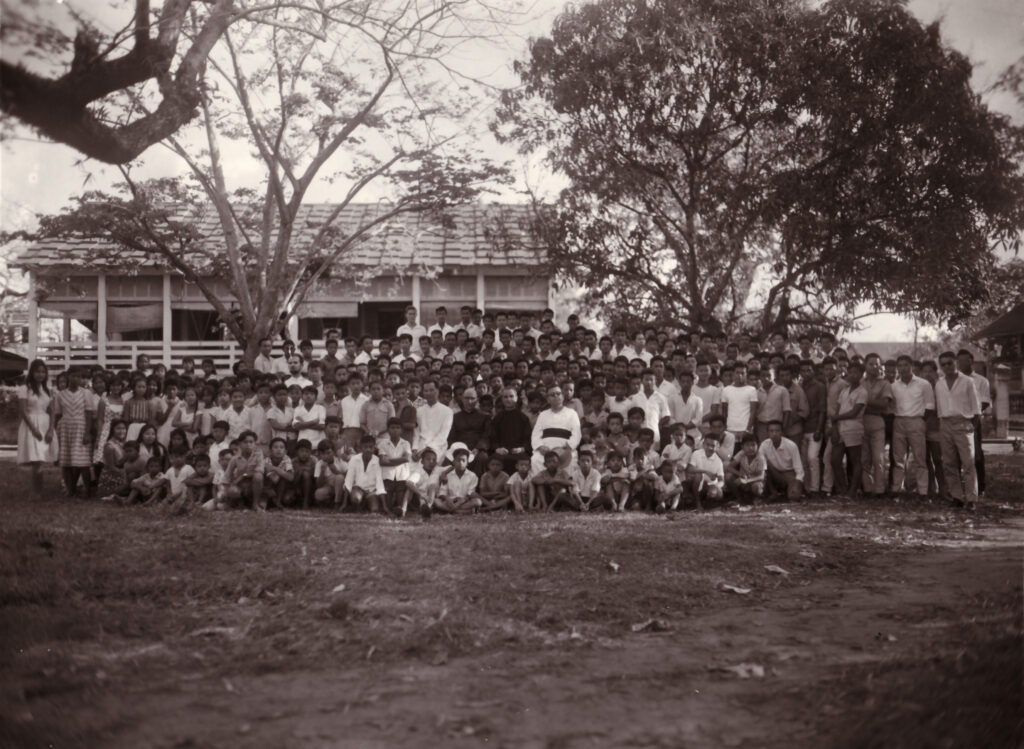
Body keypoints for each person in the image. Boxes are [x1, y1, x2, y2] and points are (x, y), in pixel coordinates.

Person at [935, 351, 981, 511]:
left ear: (956, 362)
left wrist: (970, 427)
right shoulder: (939, 383)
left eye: (950, 363)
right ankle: (957, 497)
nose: (947, 366)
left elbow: (976, 409)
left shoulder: (968, 381)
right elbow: (939, 407)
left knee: (968, 462)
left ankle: (971, 499)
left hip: (963, 423)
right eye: (943, 364)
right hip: (945, 424)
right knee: (949, 463)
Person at [890, 355, 934, 498]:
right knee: (898, 459)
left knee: (920, 458)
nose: (902, 368)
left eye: (905, 365)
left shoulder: (923, 384)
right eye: (900, 366)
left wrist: (920, 421)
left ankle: (923, 491)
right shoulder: (894, 386)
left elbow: (930, 406)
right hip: (899, 421)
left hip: (916, 421)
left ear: (911, 366)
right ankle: (897, 489)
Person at [17, 359, 58, 498]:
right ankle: (35, 492)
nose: (40, 374)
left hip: (45, 424)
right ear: (32, 373)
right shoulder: (25, 389)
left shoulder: (48, 390)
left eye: (43, 372)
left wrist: (51, 429)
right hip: (31, 424)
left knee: (41, 458)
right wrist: (33, 429)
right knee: (36, 458)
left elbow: (52, 411)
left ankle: (38, 491)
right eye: (37, 371)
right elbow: (23, 411)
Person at [53, 367, 96, 497]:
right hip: (65, 428)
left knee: (83, 461)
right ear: (68, 377)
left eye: (79, 376)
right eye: (73, 376)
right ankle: (70, 490)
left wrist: (87, 432)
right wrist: (54, 432)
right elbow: (57, 415)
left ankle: (87, 490)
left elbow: (89, 414)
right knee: (66, 461)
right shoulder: (60, 395)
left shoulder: (86, 393)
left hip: (81, 427)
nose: (76, 379)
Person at [956, 349, 990, 497]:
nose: (962, 363)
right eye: (960, 361)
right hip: (956, 420)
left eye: (966, 360)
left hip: (973, 420)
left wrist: (971, 413)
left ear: (971, 361)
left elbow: (985, 402)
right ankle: (958, 487)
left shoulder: (981, 381)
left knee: (975, 453)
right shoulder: (954, 379)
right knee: (955, 453)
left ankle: (980, 486)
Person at [832, 362, 868, 499]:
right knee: (835, 460)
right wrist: (834, 427)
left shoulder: (862, 392)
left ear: (861, 374)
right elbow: (837, 410)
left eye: (856, 372)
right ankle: (843, 490)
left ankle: (852, 491)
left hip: (854, 428)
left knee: (855, 461)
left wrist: (836, 417)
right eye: (851, 372)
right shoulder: (844, 390)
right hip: (841, 428)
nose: (853, 375)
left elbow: (854, 413)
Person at [530, 385, 582, 474]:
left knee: (570, 463)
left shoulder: (572, 413)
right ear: (548, 399)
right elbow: (535, 434)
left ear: (562, 396)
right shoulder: (543, 415)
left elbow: (577, 434)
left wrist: (568, 447)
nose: (556, 396)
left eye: (558, 393)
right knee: (536, 460)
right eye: (552, 395)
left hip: (564, 449)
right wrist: (540, 447)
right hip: (546, 450)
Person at [758, 420, 804, 501]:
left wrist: (796, 485)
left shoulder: (791, 445)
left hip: (789, 474)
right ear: (767, 433)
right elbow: (760, 465)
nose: (774, 434)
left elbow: (799, 470)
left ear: (782, 432)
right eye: (771, 431)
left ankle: (786, 492)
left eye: (777, 431)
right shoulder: (764, 445)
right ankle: (773, 492)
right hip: (773, 474)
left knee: (794, 496)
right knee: (765, 464)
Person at [345, 434, 386, 513]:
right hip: (358, 489)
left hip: (371, 491)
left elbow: (380, 484)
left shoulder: (377, 461)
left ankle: (365, 504)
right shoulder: (354, 459)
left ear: (374, 448)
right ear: (361, 448)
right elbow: (348, 481)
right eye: (365, 447)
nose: (368, 449)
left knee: (375, 509)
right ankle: (358, 504)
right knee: (356, 498)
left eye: (370, 447)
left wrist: (385, 507)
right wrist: (344, 504)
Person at [686, 435, 725, 510]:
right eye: (707, 444)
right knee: (698, 476)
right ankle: (697, 503)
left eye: (713, 446)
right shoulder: (697, 453)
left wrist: (716, 487)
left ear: (717, 447)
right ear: (703, 444)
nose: (710, 448)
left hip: (708, 485)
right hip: (695, 483)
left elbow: (722, 480)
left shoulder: (718, 461)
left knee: (718, 493)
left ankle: (707, 503)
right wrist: (705, 471)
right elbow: (690, 469)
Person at [726, 433, 766, 504]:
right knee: (728, 477)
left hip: (756, 481)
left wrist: (747, 481)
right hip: (744, 479)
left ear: (758, 446)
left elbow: (761, 476)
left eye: (753, 445)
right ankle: (739, 498)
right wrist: (740, 474)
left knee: (756, 487)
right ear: (742, 447)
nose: (750, 448)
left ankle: (757, 498)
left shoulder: (760, 457)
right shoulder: (741, 453)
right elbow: (729, 467)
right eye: (747, 445)